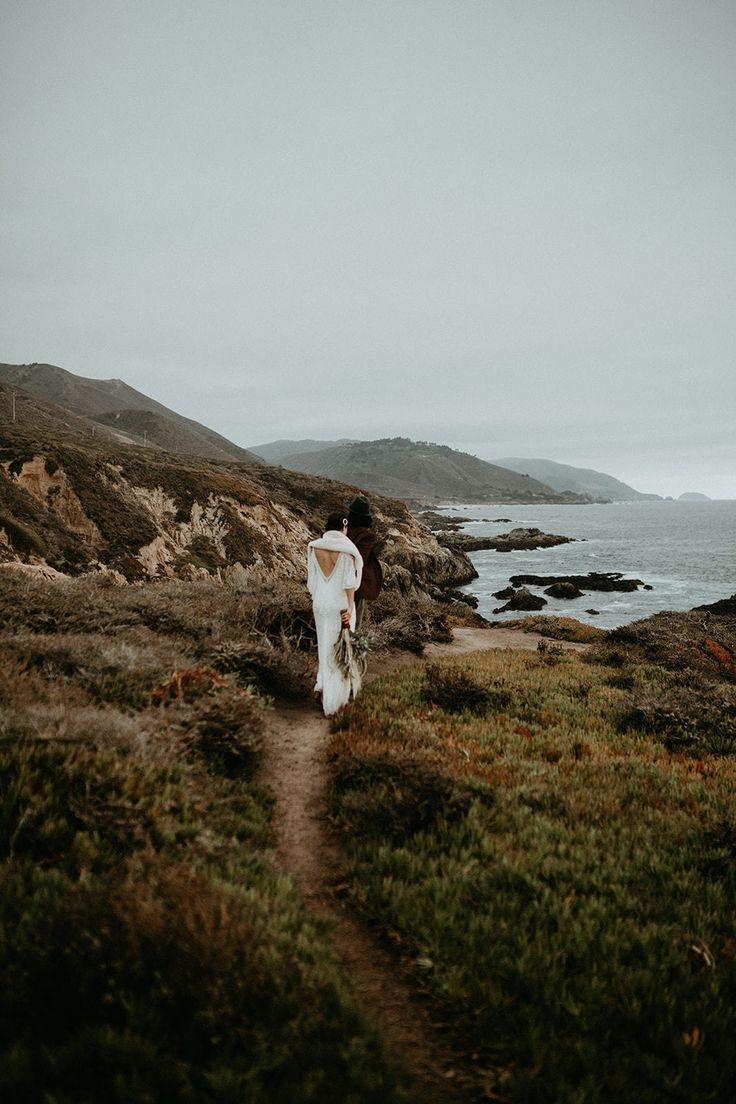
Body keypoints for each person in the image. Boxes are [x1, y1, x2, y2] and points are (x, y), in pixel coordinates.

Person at [307, 511, 363, 716]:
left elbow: (311, 582)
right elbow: (350, 583)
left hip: (320, 604)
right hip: (339, 605)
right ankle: (335, 701)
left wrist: (320, 596)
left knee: (324, 646)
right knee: (339, 650)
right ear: (343, 527)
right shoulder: (347, 550)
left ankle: (321, 686)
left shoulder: (314, 547)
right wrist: (349, 607)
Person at [346, 495, 383, 631]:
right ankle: (351, 647)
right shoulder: (367, 535)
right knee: (355, 621)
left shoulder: (344, 531)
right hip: (357, 583)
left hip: (338, 580)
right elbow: (360, 560)